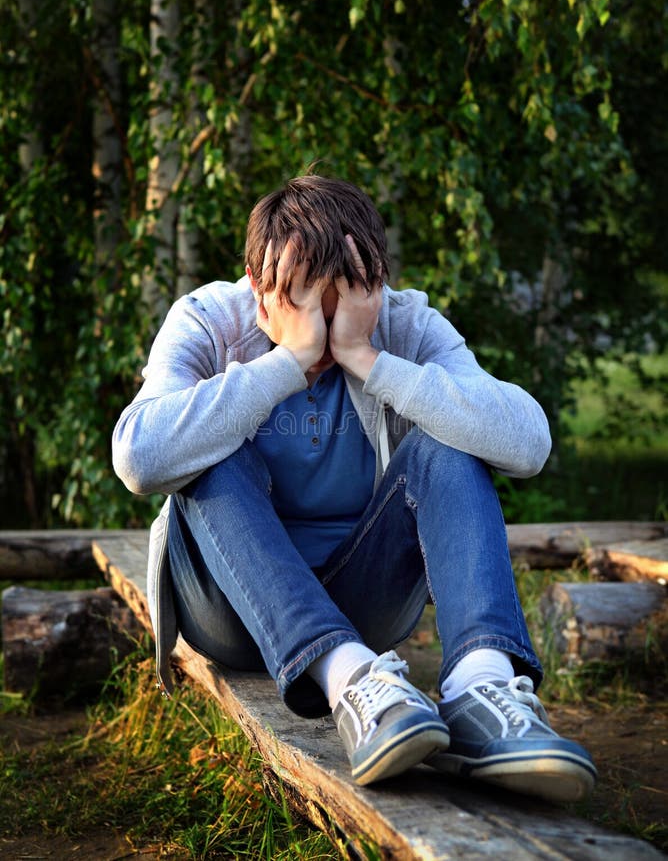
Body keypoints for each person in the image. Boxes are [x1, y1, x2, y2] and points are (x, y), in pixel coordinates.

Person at [112, 174, 597, 801]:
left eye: (337, 308)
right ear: (258, 287)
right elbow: (139, 457)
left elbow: (527, 442)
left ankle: (482, 689)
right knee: (208, 454)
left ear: (373, 285)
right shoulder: (208, 320)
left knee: (450, 444)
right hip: (228, 609)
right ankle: (350, 680)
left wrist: (367, 357)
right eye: (300, 307)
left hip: (363, 601)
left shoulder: (399, 323)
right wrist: (287, 360)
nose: (319, 332)